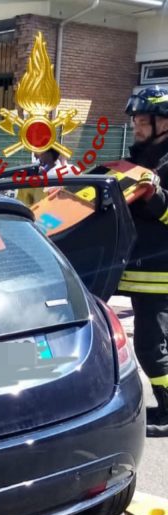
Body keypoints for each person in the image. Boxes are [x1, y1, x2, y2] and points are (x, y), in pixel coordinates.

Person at [116, 86, 168, 437]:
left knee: (151, 346)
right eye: (134, 119)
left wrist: (154, 195)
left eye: (142, 120)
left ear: (163, 123)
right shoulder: (140, 160)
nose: (135, 125)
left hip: (159, 273)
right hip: (138, 270)